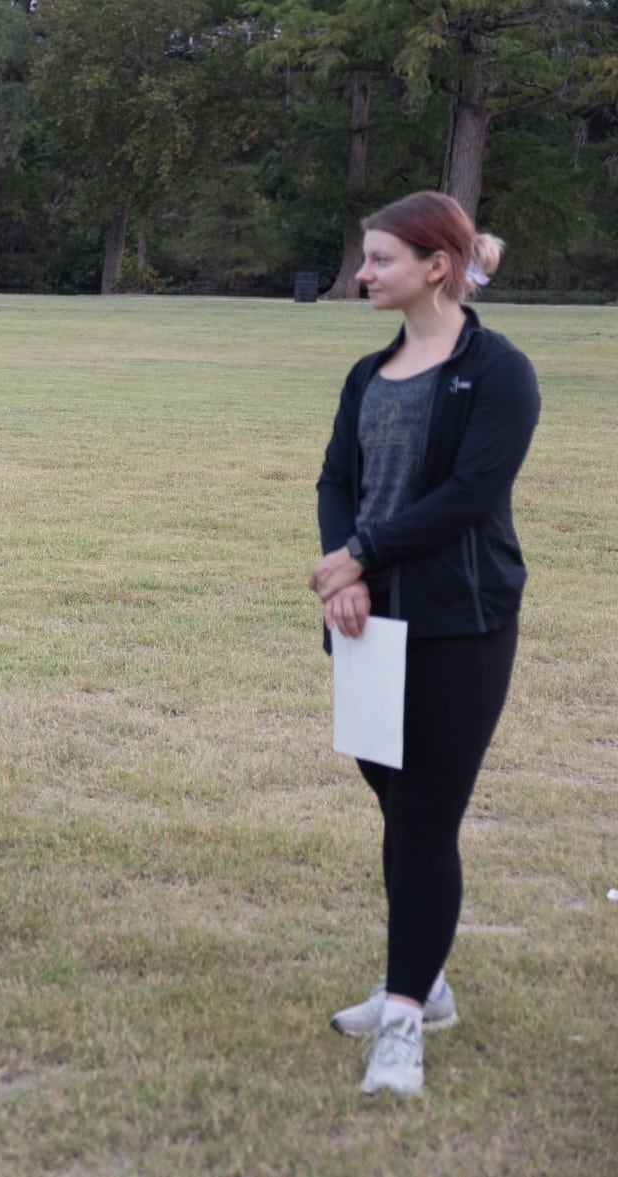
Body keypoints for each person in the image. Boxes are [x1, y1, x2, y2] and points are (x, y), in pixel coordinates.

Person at [310, 191, 537, 1096]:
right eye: (365, 259)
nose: (364, 274)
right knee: (394, 804)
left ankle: (403, 1019)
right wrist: (350, 571)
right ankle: (426, 977)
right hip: (368, 620)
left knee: (425, 818)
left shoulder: (500, 371)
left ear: (435, 267)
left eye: (380, 259)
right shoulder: (369, 374)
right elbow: (338, 478)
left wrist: (363, 551)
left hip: (461, 623)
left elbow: (471, 494)